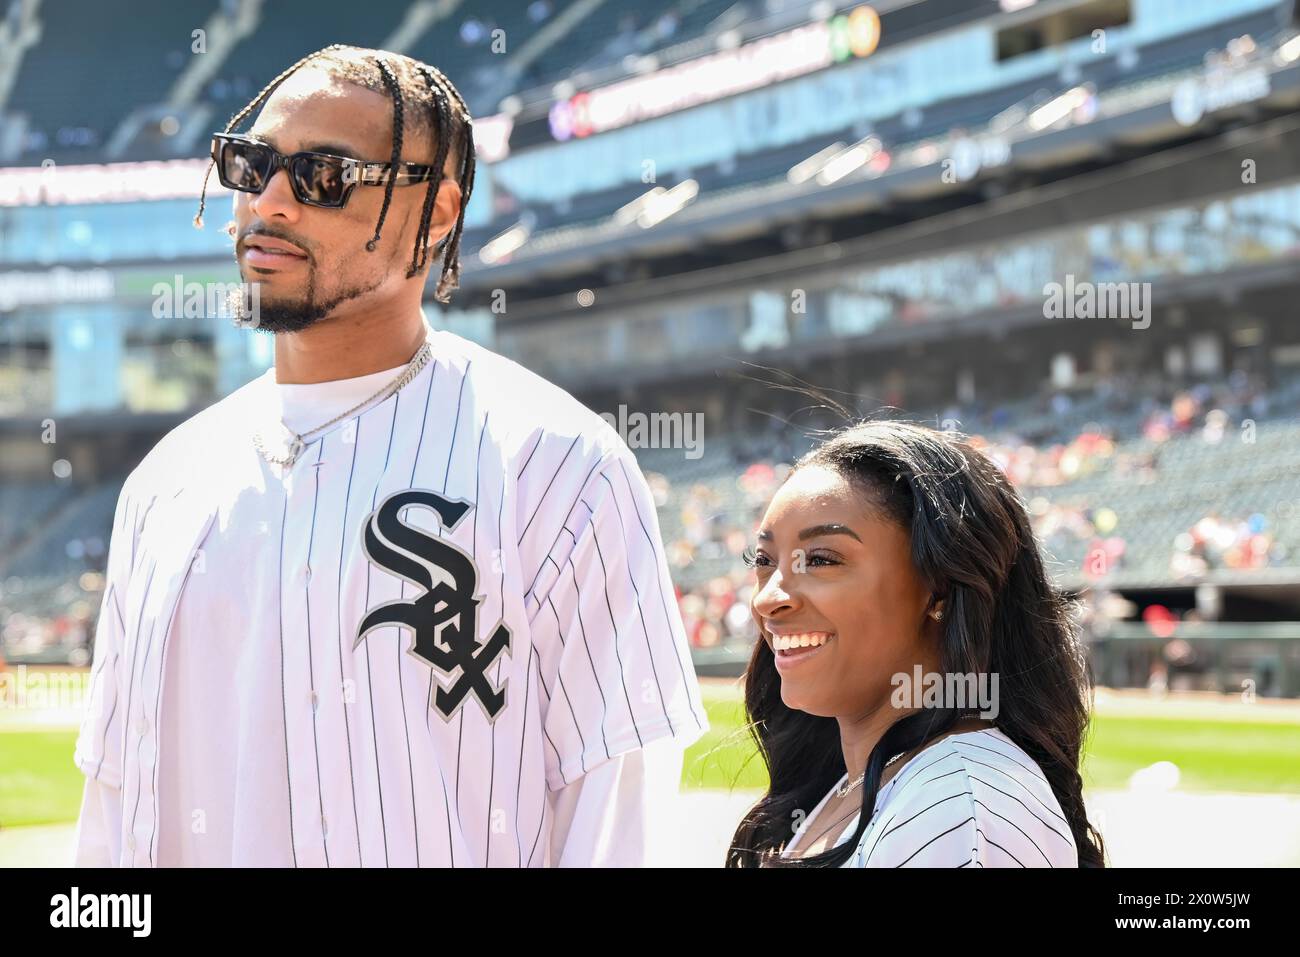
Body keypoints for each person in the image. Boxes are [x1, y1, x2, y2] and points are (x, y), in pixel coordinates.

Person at [72, 45, 707, 867]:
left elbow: (617, 818)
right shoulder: (163, 483)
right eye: (250, 164)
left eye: (323, 176)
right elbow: (114, 808)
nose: (270, 202)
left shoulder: (562, 467)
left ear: (436, 214)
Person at [727, 420, 1104, 867]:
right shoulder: (866, 780)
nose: (768, 599)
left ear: (939, 589)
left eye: (822, 559)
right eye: (764, 560)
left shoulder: (959, 809)